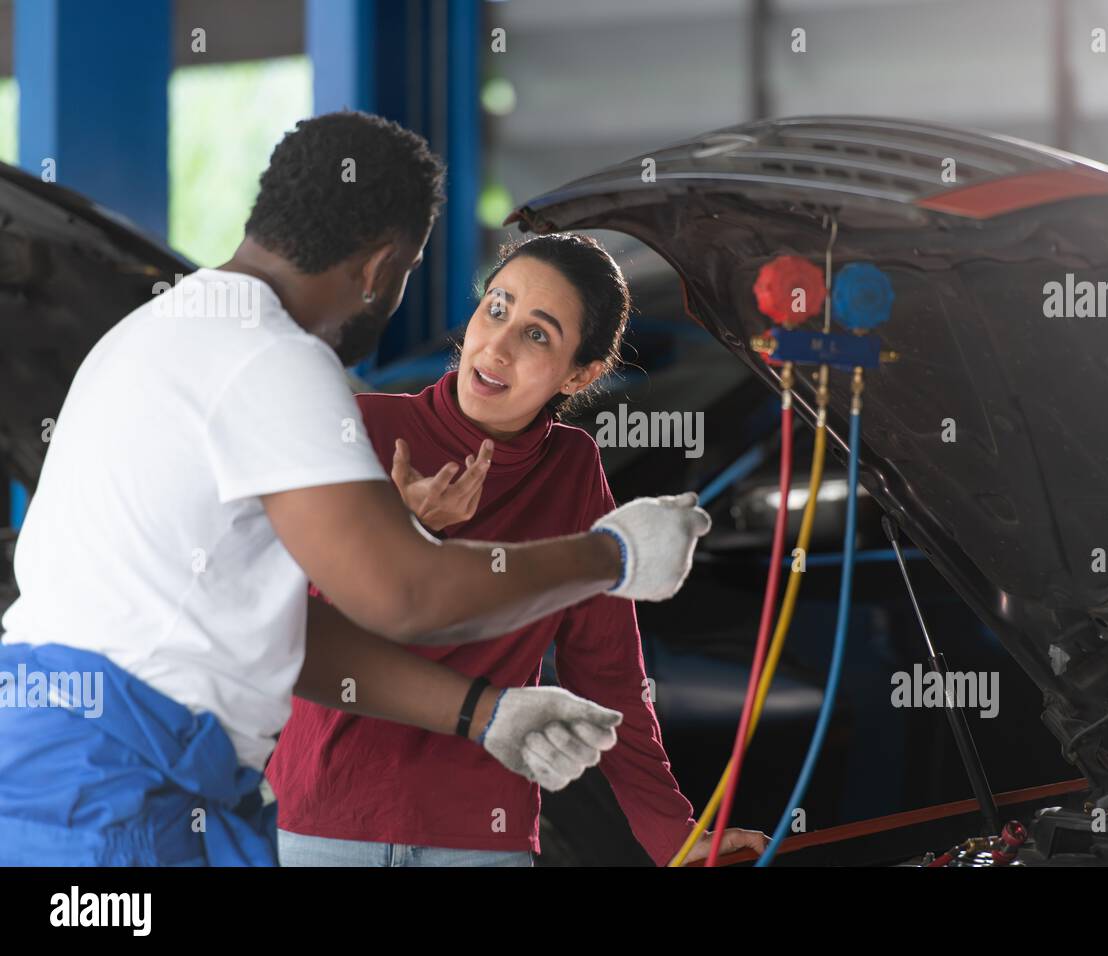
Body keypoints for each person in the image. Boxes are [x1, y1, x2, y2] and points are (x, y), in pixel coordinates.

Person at [0, 111, 710, 866]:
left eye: (536, 333)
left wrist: (482, 714)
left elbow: (280, 633)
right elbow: (404, 594)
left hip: (69, 766)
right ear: (380, 268)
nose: (495, 341)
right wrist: (614, 556)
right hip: (124, 796)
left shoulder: (149, 336)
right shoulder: (275, 359)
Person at [269, 233, 767, 867]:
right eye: (497, 308)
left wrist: (676, 834)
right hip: (324, 823)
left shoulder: (572, 469)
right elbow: (291, 630)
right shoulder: (359, 427)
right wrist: (407, 531)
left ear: (581, 373)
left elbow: (607, 671)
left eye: (539, 334)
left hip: (479, 835)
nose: (498, 346)